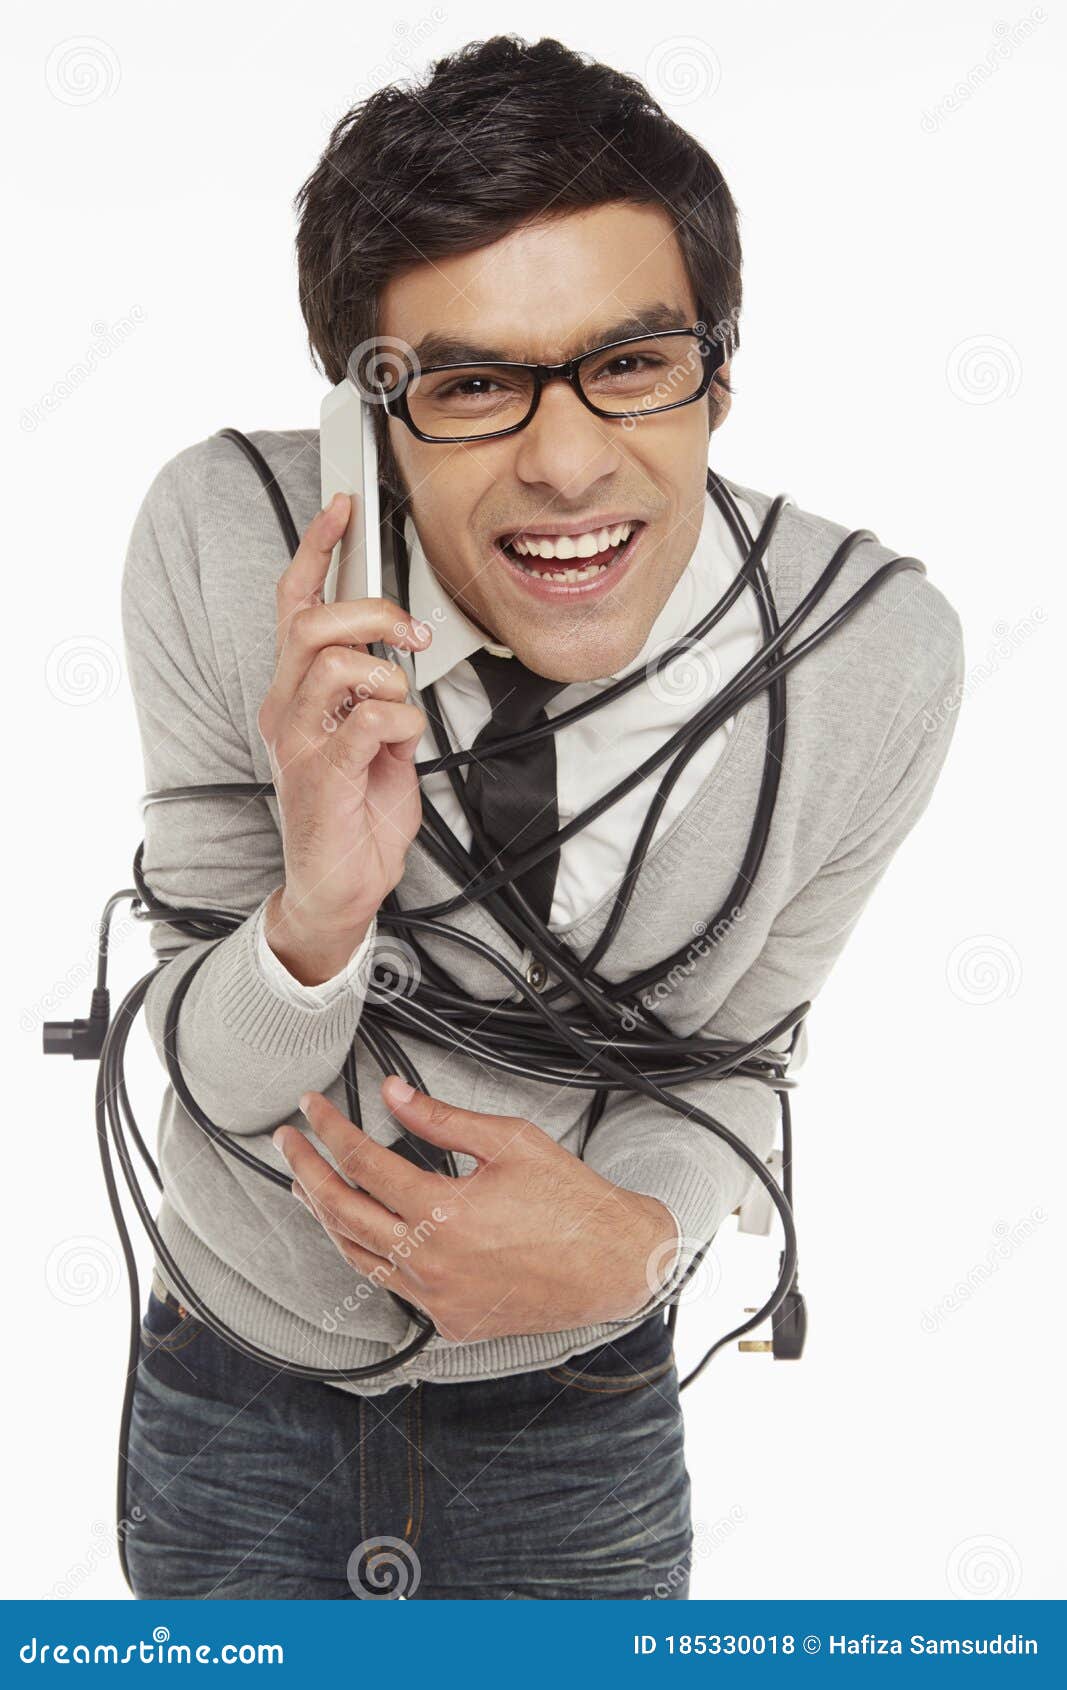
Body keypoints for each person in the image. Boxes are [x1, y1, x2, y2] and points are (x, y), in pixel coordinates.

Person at [119, 35, 965, 1600]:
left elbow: (739, 1051)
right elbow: (212, 1074)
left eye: (632, 363)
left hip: (579, 1420)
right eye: (474, 386)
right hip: (233, 1392)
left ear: (718, 372)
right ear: (369, 422)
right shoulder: (229, 541)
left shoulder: (872, 655)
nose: (569, 465)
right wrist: (318, 910)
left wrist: (638, 1243)